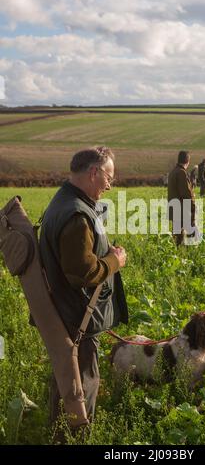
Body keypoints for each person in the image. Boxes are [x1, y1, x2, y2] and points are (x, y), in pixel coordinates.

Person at [39, 146, 128, 426]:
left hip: (67, 313)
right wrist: (114, 261)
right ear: (94, 172)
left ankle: (61, 430)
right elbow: (82, 273)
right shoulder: (76, 214)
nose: (110, 185)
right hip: (77, 318)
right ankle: (72, 436)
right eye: (109, 178)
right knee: (81, 386)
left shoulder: (66, 201)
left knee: (67, 379)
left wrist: (104, 254)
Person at [167, 150, 195, 246]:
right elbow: (186, 193)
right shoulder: (181, 173)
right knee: (185, 237)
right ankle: (184, 255)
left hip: (174, 208)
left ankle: (176, 254)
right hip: (181, 209)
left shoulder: (173, 172)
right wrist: (193, 207)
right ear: (188, 161)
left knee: (177, 235)